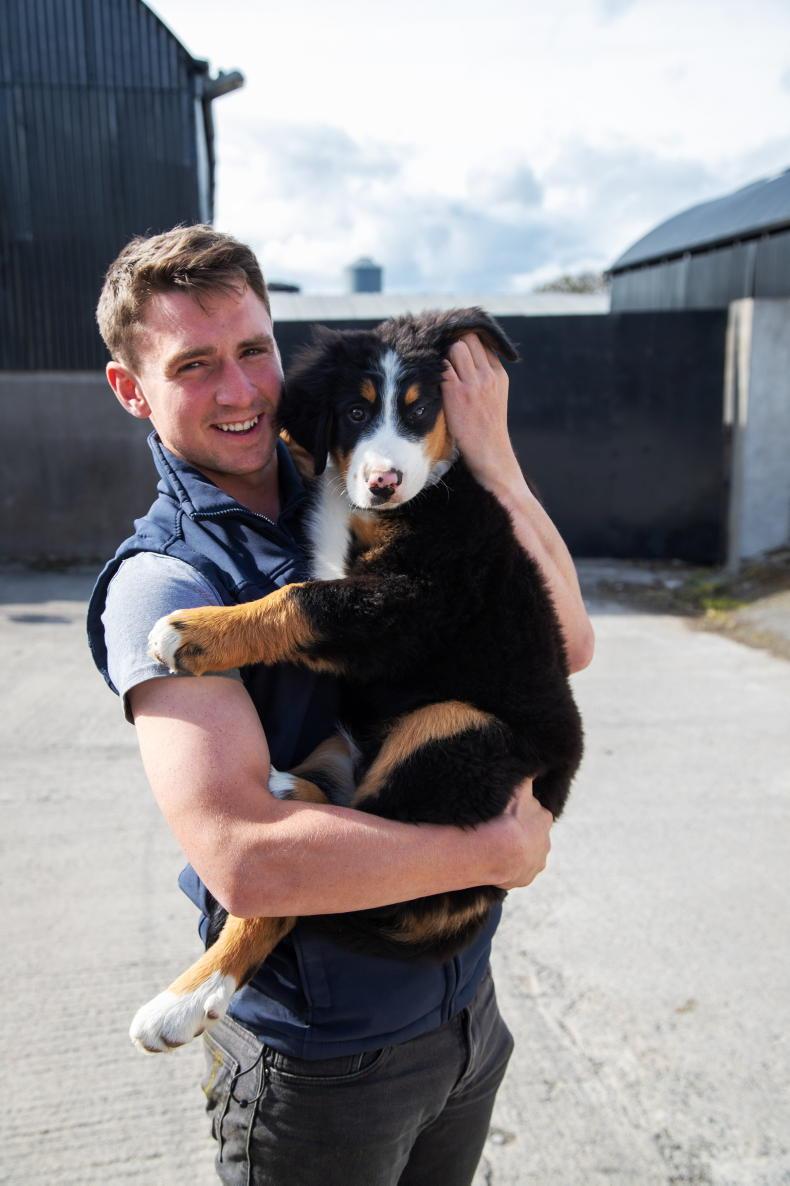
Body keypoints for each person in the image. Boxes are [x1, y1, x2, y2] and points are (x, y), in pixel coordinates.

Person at [88, 224, 594, 1186]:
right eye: (195, 365)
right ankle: (218, 977)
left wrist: (491, 454)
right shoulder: (166, 582)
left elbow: (569, 639)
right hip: (324, 1064)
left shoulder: (340, 467)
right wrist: (492, 853)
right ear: (132, 389)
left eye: (251, 350)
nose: (239, 391)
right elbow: (244, 858)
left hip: (463, 1021)